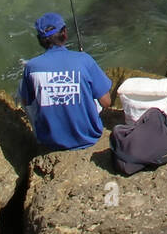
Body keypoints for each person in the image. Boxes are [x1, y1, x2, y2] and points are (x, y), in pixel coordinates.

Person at [18, 14, 112, 151]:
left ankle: (42, 132)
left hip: (50, 142)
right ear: (65, 33)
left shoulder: (32, 66)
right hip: (89, 137)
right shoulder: (85, 60)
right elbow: (106, 102)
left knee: (23, 87)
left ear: (40, 40)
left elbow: (27, 102)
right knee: (90, 87)